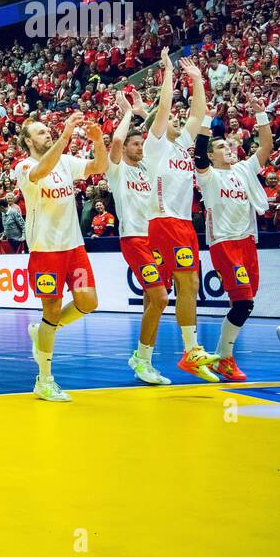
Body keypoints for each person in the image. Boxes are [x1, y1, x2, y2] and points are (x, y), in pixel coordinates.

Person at [15, 111, 107, 401]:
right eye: (41, 132)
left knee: (88, 302)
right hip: (45, 251)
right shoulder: (24, 166)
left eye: (48, 131)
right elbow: (41, 172)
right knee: (51, 311)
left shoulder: (66, 162)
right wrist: (66, 135)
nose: (48, 134)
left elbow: (99, 165)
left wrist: (99, 140)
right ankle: (44, 380)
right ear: (28, 141)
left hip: (74, 248)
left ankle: (42, 331)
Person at [143, 58, 219, 380]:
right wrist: (171, 74)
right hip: (164, 221)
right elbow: (162, 110)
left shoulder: (182, 147)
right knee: (173, 288)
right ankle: (183, 352)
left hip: (184, 223)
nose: (175, 120)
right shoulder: (155, 144)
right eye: (169, 119)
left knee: (177, 290)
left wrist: (198, 79)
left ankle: (178, 352)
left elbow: (198, 114)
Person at [194, 95, 273, 381]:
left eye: (228, 144)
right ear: (212, 155)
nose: (227, 148)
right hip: (225, 243)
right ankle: (224, 358)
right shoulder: (209, 176)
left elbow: (266, 146)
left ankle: (222, 358)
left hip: (247, 242)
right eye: (221, 146)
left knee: (245, 302)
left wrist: (261, 113)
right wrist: (207, 121)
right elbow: (199, 155)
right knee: (243, 303)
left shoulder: (243, 170)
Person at [107, 58, 173, 385]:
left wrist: (138, 111)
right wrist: (125, 114)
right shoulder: (118, 171)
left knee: (153, 299)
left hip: (153, 237)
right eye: (137, 144)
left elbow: (152, 130)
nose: (140, 146)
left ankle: (145, 357)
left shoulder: (147, 167)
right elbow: (118, 142)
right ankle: (141, 358)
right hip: (133, 239)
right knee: (160, 298)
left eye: (140, 143)